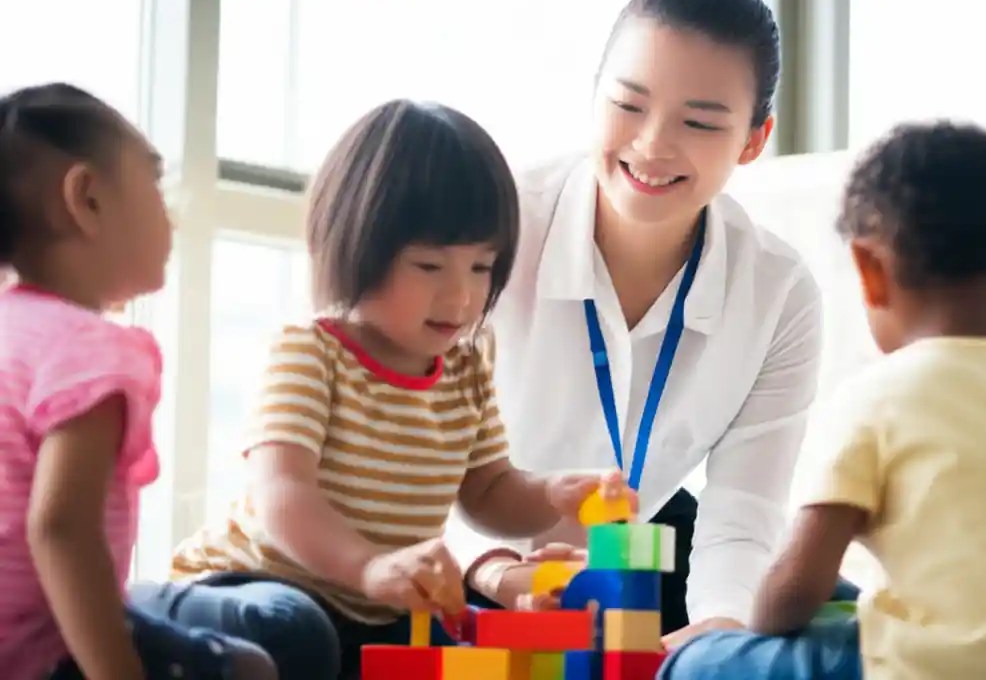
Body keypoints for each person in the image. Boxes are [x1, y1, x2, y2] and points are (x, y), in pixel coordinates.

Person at [129, 99, 632, 680]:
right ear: (356, 247)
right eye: (428, 267)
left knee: (483, 651)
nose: (462, 298)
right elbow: (283, 492)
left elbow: (490, 491)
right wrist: (369, 567)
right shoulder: (312, 351)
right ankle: (150, 618)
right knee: (292, 630)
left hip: (379, 608)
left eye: (481, 267)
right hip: (258, 583)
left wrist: (551, 494)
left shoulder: (465, 367)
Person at [450, 0, 854, 646]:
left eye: (699, 122)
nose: (653, 144)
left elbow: (742, 518)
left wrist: (714, 635)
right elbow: (405, 452)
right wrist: (491, 569)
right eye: (629, 105)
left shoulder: (779, 293)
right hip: (473, 560)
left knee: (842, 619)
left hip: (642, 562)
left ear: (754, 140)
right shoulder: (495, 230)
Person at [662, 122, 986, 679]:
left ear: (869, 271)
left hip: (930, 672)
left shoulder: (876, 398)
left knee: (699, 663)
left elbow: (789, 597)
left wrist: (745, 613)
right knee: (849, 601)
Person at [0, 83, 275, 679]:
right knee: (249, 668)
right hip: (43, 651)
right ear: (87, 198)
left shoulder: (12, 330)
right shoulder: (89, 352)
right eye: (156, 184)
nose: (170, 213)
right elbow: (61, 529)